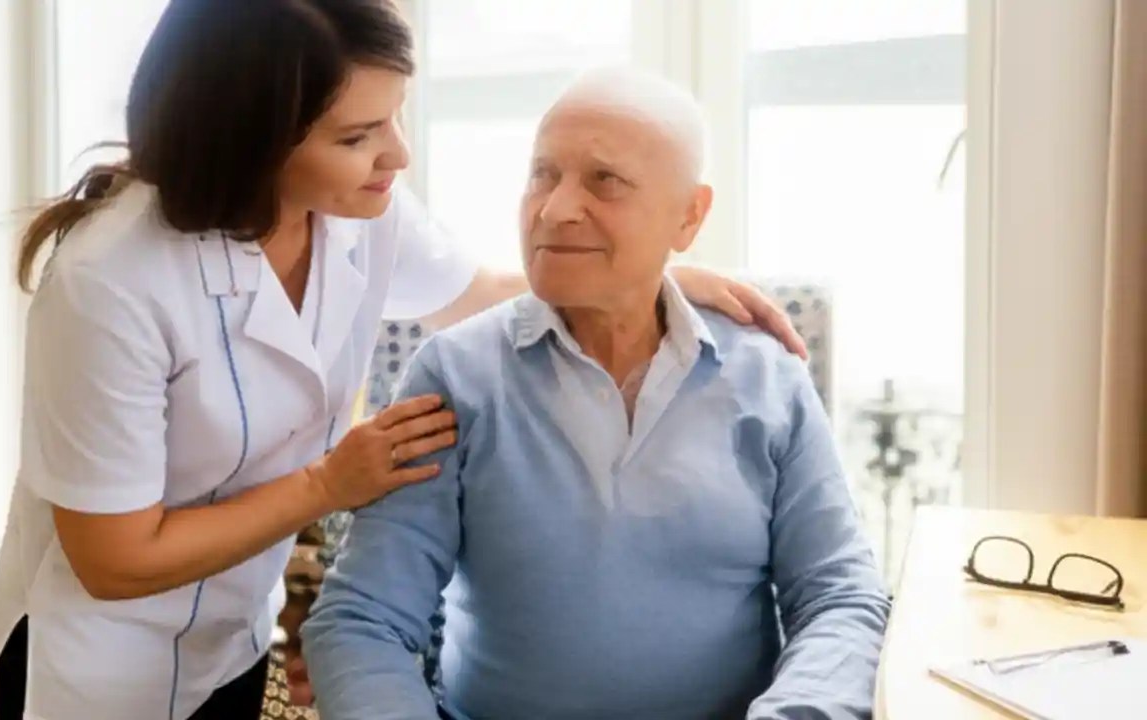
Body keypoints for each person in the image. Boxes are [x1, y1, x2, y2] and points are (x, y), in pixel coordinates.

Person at [0, 2, 804, 719]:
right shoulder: (109, 282)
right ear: (254, 140)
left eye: (395, 116)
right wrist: (327, 484)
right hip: (93, 665)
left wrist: (648, 274)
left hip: (229, 643)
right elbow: (114, 561)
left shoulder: (357, 210)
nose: (397, 155)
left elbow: (478, 291)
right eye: (358, 136)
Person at [302, 67, 890, 720]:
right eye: (542, 175)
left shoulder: (768, 375)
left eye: (604, 180)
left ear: (689, 216)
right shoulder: (454, 375)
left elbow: (840, 594)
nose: (554, 209)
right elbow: (363, 620)